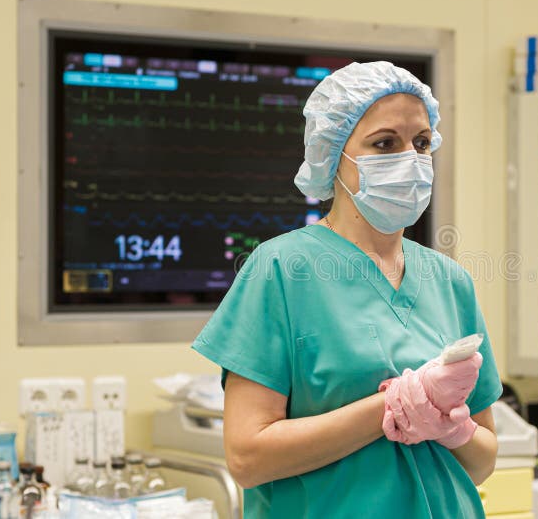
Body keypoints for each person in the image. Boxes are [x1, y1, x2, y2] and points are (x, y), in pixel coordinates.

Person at [191, 61, 503, 518]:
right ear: (332, 154)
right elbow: (247, 459)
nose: (411, 160)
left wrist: (452, 430)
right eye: (384, 143)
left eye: (421, 143)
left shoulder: (449, 280)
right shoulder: (280, 270)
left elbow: (483, 462)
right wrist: (391, 406)